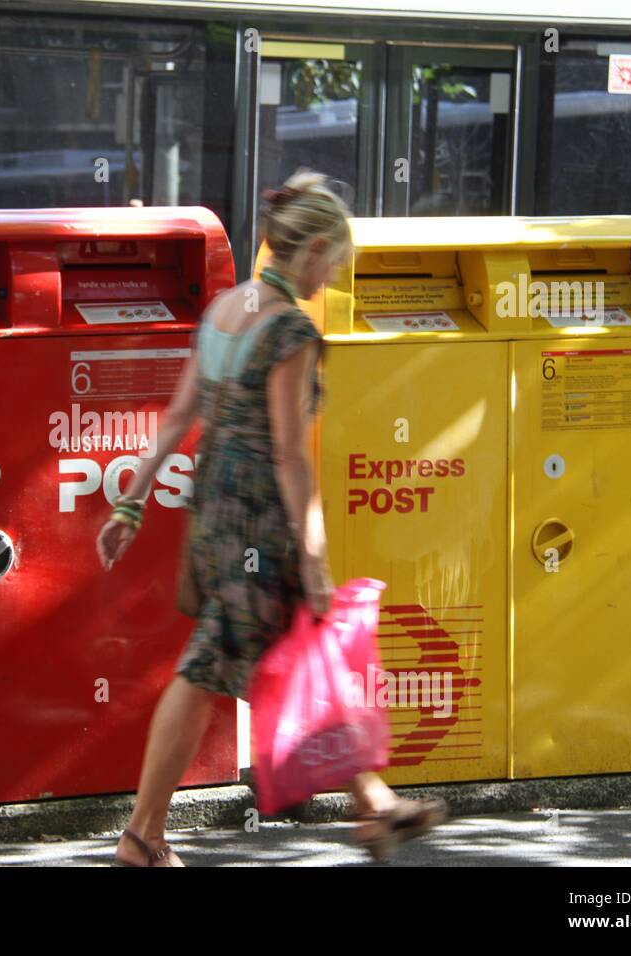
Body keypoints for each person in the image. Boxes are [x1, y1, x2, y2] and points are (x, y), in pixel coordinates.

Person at [97, 169, 446, 866]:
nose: (332, 281)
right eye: (334, 266)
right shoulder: (288, 328)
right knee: (207, 668)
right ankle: (141, 835)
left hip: (215, 504)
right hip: (259, 516)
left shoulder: (227, 307)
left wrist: (132, 501)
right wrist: (314, 556)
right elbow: (291, 456)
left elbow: (176, 418)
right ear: (312, 249)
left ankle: (372, 803)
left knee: (303, 647)